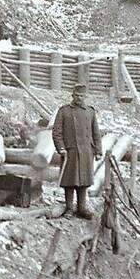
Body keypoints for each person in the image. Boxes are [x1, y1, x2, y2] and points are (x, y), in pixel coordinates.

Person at [51, 85, 103, 219]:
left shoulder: (90, 112)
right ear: (72, 95)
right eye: (77, 95)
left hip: (86, 151)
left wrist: (98, 150)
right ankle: (69, 208)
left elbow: (96, 133)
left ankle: (81, 207)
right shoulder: (64, 111)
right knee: (70, 180)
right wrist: (61, 148)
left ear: (86, 97)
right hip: (70, 151)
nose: (79, 98)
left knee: (84, 180)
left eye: (82, 96)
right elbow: (57, 132)